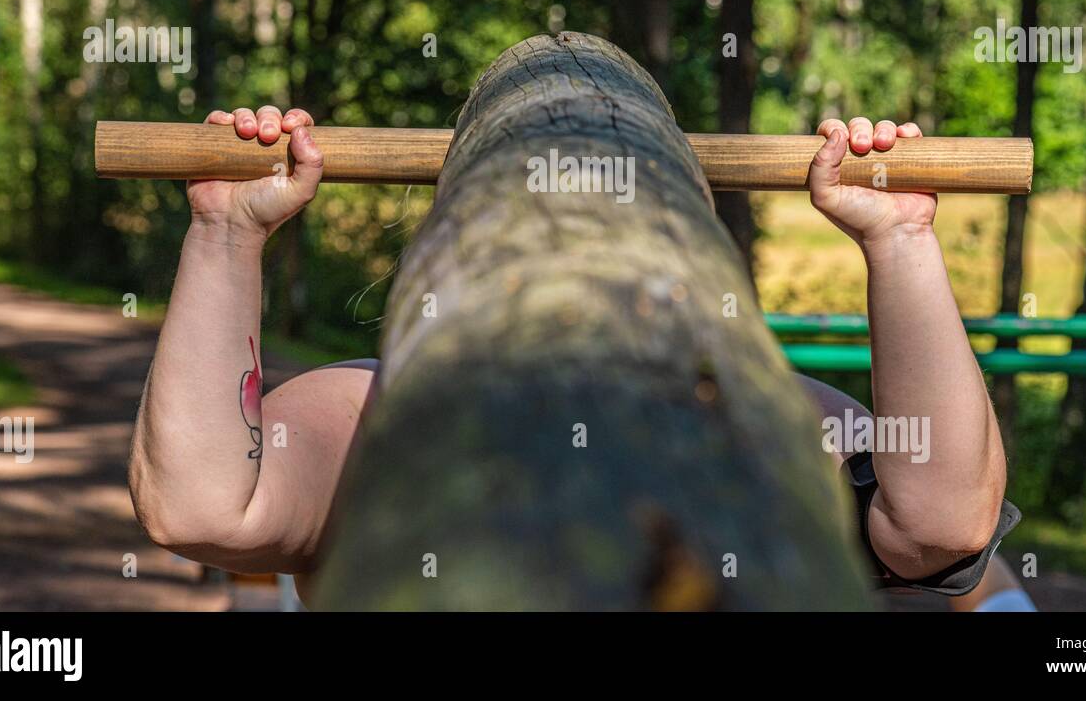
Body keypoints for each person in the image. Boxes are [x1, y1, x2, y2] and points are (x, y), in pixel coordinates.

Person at [128, 105, 1016, 597]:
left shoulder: (745, 416)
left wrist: (901, 244)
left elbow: (940, 522)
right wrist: (226, 233)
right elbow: (200, 504)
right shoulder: (378, 415)